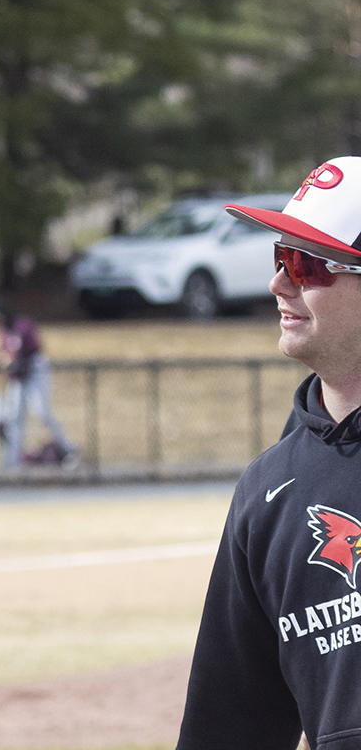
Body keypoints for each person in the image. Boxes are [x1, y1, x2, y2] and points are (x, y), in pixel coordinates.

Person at [179, 157, 361, 748]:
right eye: (278, 258)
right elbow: (231, 724)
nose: (278, 284)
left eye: (306, 264)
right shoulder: (269, 490)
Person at [0, 301, 74, 468]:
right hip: (17, 377)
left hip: (34, 373)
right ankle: (13, 459)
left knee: (41, 412)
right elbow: (2, 353)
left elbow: (34, 350)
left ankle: (67, 447)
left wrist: (12, 360)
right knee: (15, 417)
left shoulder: (23, 326)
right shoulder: (4, 332)